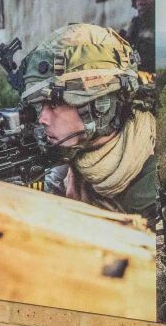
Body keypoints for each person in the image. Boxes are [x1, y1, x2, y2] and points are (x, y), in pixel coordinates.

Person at [21, 23, 158, 217]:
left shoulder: (151, 183)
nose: (42, 118)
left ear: (99, 104)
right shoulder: (67, 170)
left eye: (54, 104)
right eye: (39, 106)